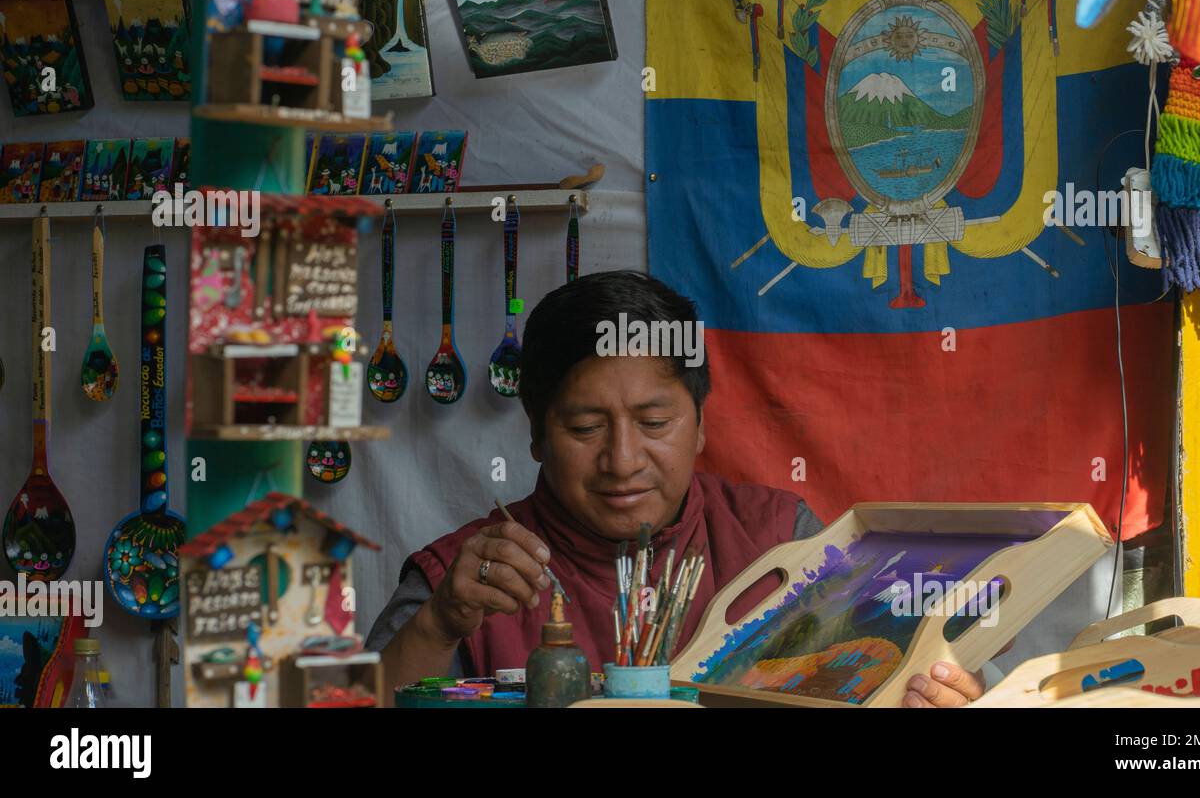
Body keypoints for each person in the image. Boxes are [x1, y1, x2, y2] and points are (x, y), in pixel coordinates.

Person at [366, 271, 997, 707]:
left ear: (700, 426)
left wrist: (943, 692)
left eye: (654, 424)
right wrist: (441, 623)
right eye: (585, 427)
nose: (621, 460)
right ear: (535, 433)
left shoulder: (778, 539)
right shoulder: (462, 581)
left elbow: (890, 674)